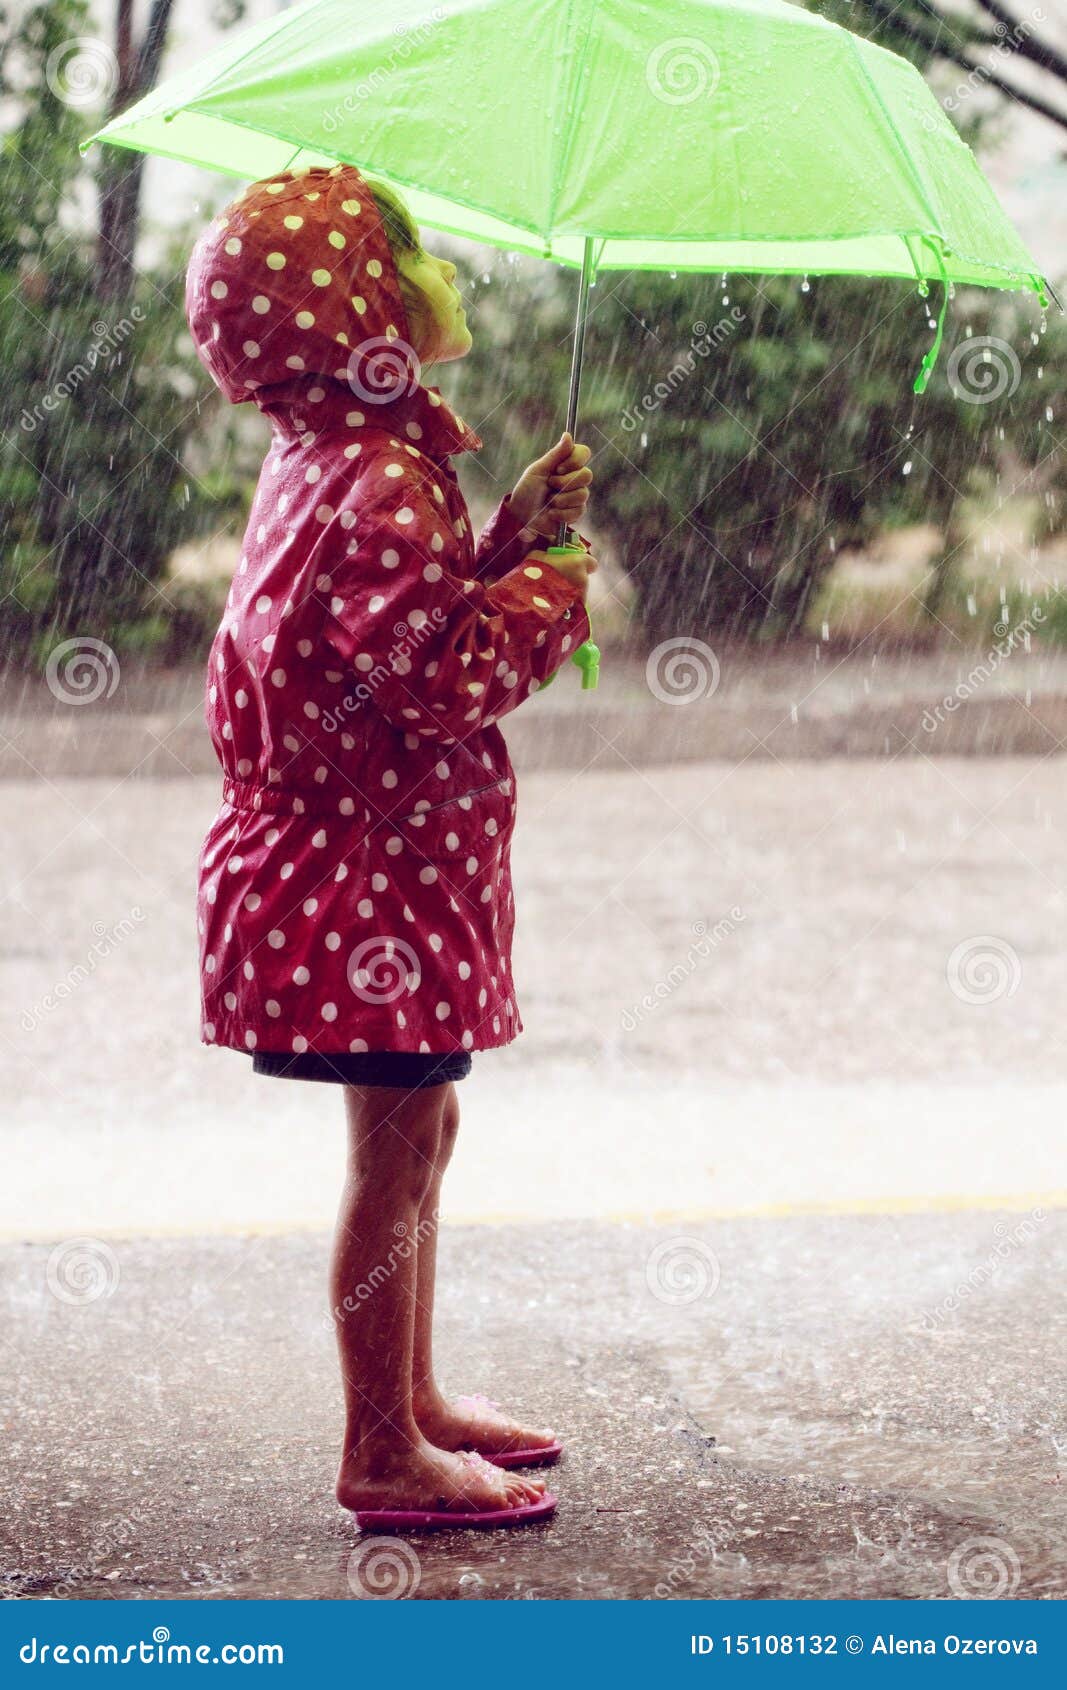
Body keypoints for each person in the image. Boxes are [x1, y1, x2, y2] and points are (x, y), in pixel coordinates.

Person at [185, 164, 597, 1528]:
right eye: (410, 253)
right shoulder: (381, 472)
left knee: (421, 1128)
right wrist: (542, 598)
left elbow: (376, 631)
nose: (442, 277)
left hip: (362, 869)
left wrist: (500, 542)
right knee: (399, 1145)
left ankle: (409, 1400)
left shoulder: (339, 457)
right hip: (369, 887)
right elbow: (429, 677)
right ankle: (380, 1449)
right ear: (361, 309)